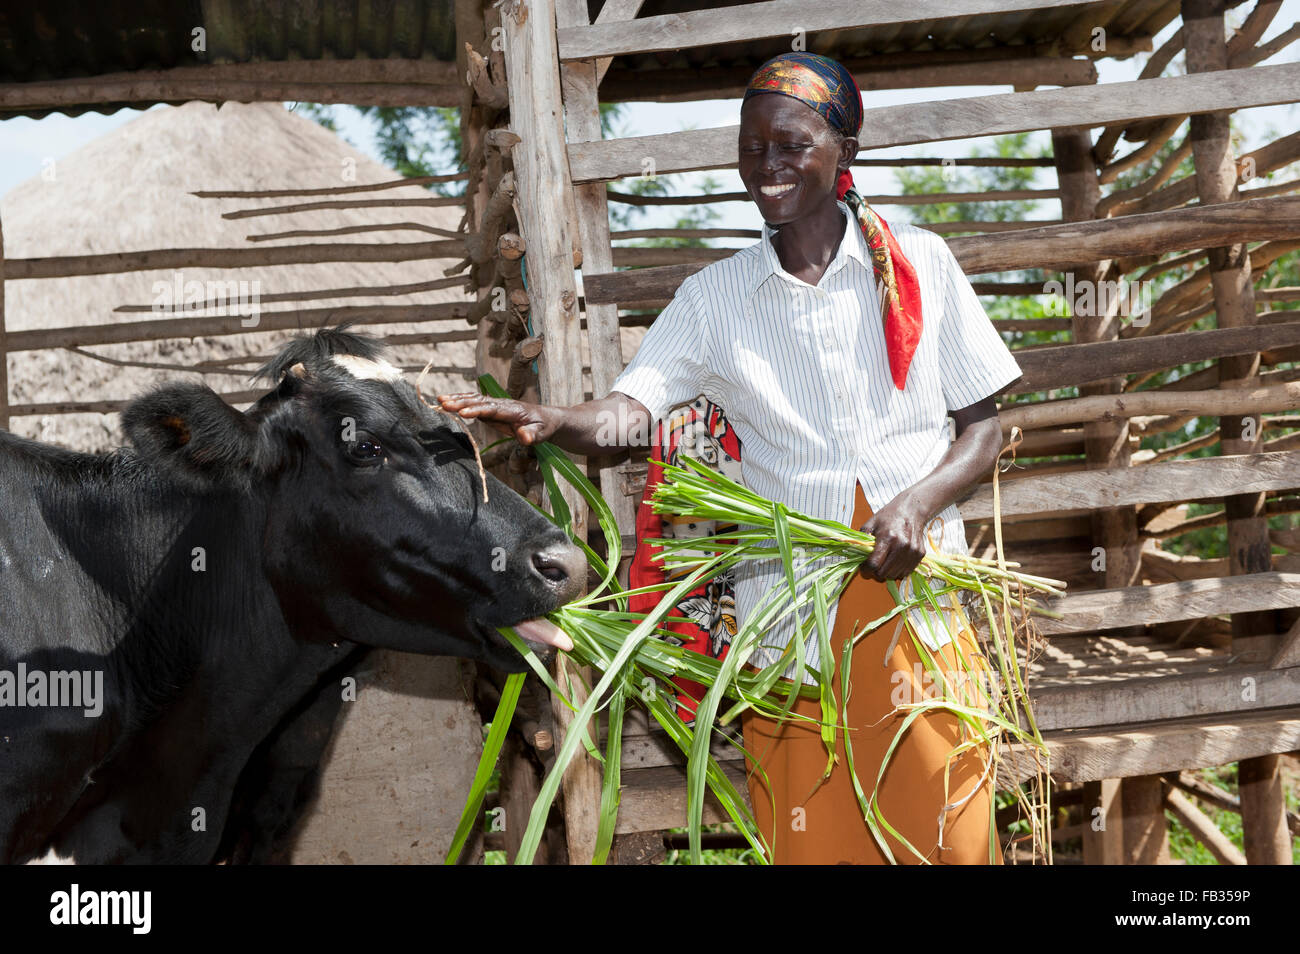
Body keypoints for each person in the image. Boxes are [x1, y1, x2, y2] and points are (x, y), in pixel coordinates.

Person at [438, 51, 1023, 865]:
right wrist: (550, 417)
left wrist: (918, 503)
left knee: (949, 835)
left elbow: (986, 430)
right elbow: (627, 415)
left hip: (915, 606)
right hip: (790, 622)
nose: (768, 166)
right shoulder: (715, 300)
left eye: (790, 144)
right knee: (816, 844)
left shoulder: (922, 264)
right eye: (752, 148)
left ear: (843, 148)